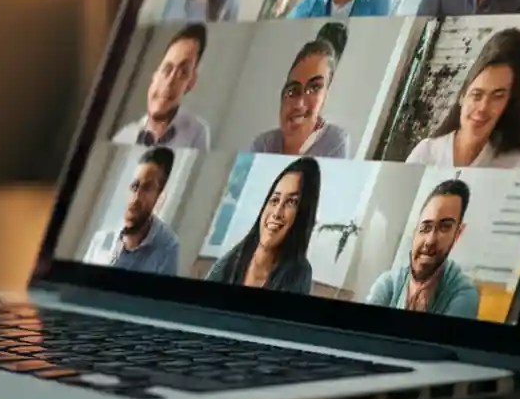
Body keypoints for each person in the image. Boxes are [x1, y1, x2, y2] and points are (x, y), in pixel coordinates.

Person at [406, 28, 520, 168]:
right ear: (462, 96)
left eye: (497, 97)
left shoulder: (515, 164)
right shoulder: (426, 153)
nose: (483, 107)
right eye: (477, 95)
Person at [366, 179, 480, 318]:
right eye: (425, 227)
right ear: (415, 232)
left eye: (444, 227)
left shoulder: (463, 293)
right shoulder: (388, 283)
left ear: (458, 233)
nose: (430, 240)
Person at [205, 157, 319, 294]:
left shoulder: (299, 274)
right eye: (275, 200)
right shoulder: (231, 261)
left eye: (291, 202)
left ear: (304, 214)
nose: (277, 213)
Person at [113, 24, 211, 150]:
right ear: (154, 76)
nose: (170, 81)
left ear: (191, 83)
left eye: (183, 72)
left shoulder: (197, 133)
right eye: (167, 69)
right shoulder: (123, 137)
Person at [248, 39, 350, 158]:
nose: (299, 104)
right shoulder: (263, 144)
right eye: (293, 90)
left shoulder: (335, 140)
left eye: (315, 88)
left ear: (325, 95)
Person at [108, 147, 181, 276]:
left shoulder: (168, 247)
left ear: (159, 197)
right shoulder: (104, 238)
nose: (136, 198)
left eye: (147, 188)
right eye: (134, 186)